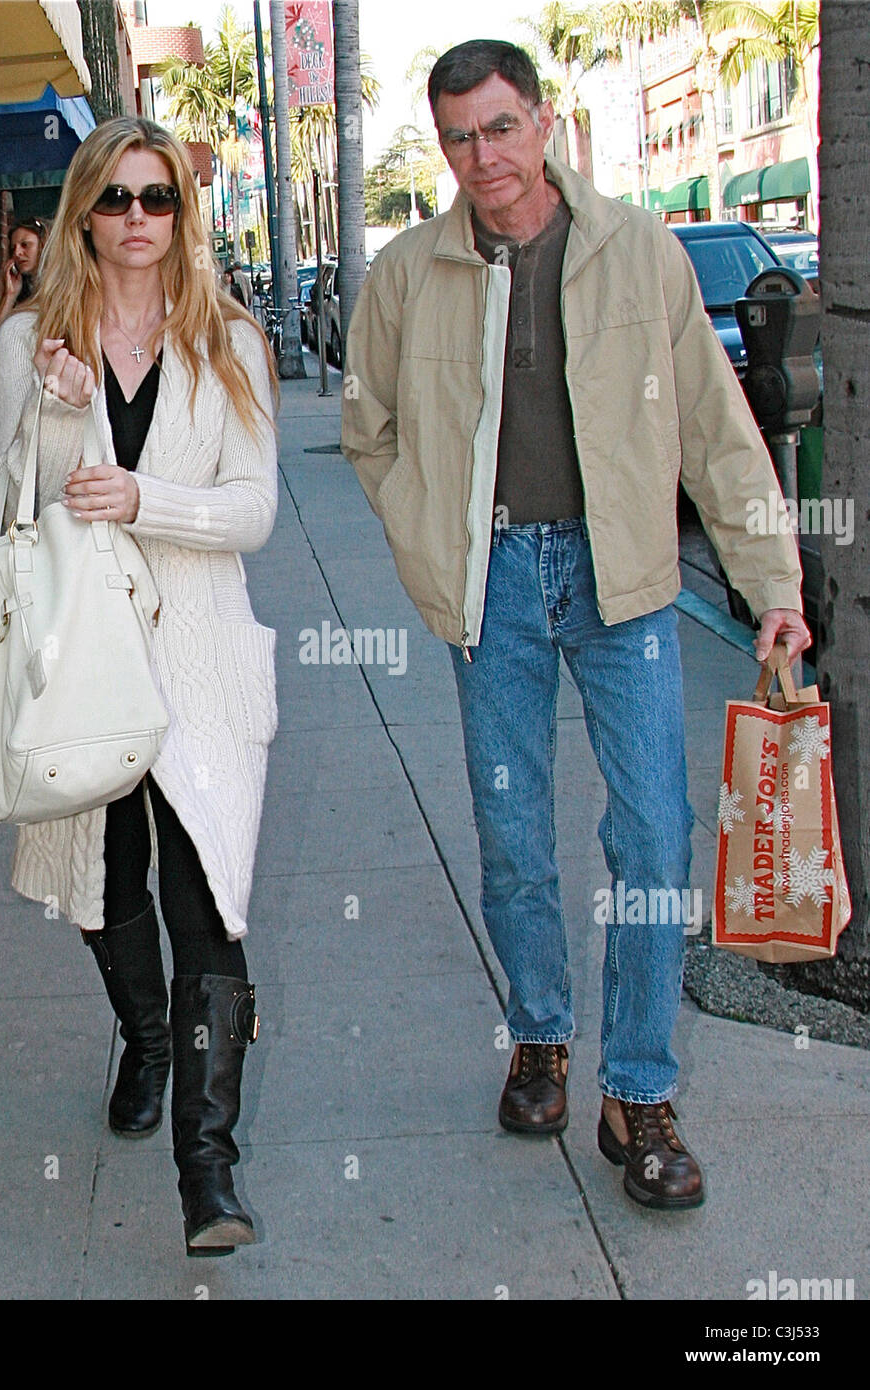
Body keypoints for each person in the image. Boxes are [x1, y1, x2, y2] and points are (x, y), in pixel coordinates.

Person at [341, 40, 810, 1212]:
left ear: (541, 124)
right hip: (490, 579)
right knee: (510, 838)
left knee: (652, 838)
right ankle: (542, 1035)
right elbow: (369, 425)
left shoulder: (636, 251)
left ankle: (638, 1092)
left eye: (498, 128)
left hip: (625, 580)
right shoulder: (407, 273)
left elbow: (711, 427)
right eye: (456, 136)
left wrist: (772, 587)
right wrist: (429, 545)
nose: (479, 158)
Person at [0, 116, 278, 1255]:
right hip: (85, 670)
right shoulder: (31, 340)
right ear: (82, 214)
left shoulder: (230, 343)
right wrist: (58, 409)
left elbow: (253, 509)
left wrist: (147, 502)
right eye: (114, 199)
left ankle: (208, 1173)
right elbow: (11, 513)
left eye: (157, 198)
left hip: (200, 664)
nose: (137, 220)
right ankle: (147, 1038)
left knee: (209, 903)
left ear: (182, 212)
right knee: (104, 886)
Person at [0, 218, 48, 366]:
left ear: (42, 246)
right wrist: (9, 296)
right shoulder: (19, 296)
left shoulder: (61, 291)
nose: (17, 253)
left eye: (25, 245)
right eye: (13, 248)